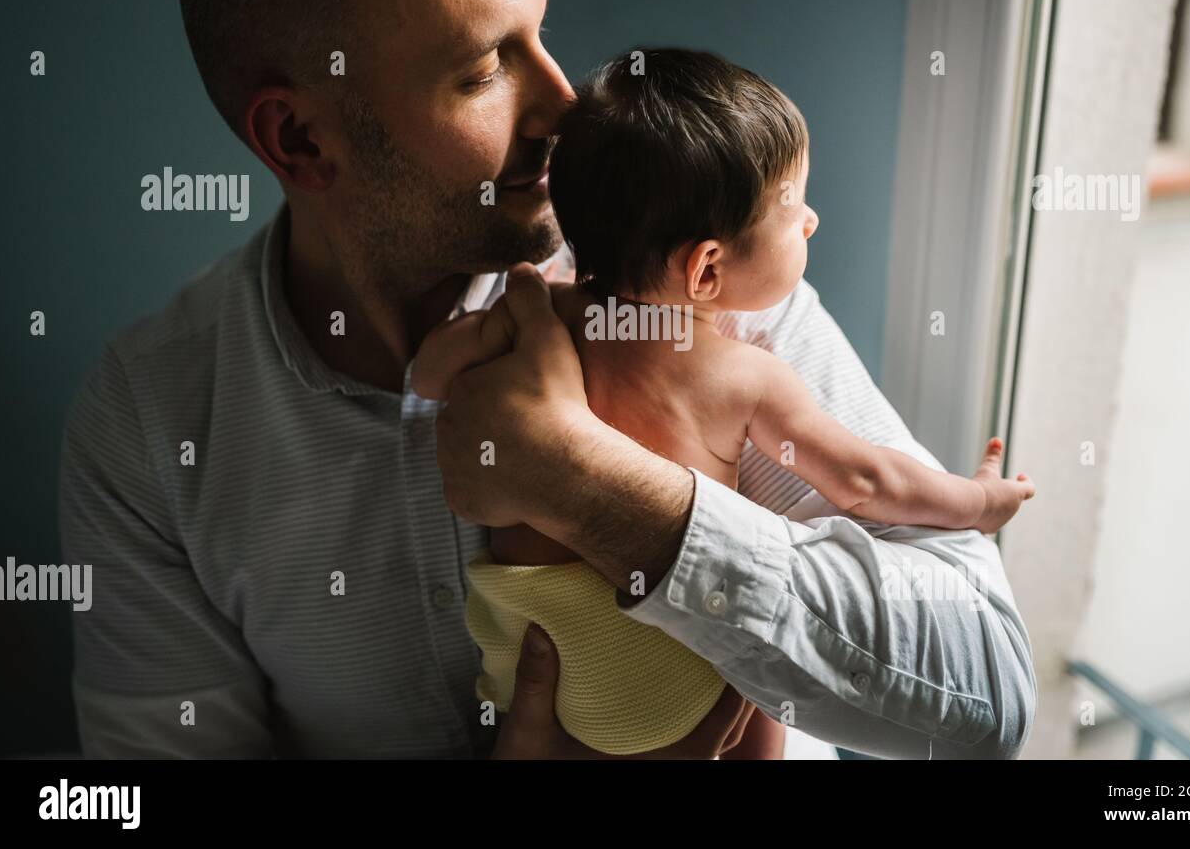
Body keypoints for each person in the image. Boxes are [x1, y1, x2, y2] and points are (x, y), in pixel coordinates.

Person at [59, 0, 1036, 758]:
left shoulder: (699, 285)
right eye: (485, 67)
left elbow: (986, 689)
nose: (566, 104)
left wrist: (605, 494)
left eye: (540, 30)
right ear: (302, 139)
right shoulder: (151, 427)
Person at [414, 49, 1037, 758]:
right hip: (663, 685)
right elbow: (868, 482)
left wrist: (493, 321)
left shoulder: (536, 318)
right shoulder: (746, 376)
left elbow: (428, 377)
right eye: (793, 206)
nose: (811, 221)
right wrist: (978, 501)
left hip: (528, 650)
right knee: (763, 680)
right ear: (707, 268)